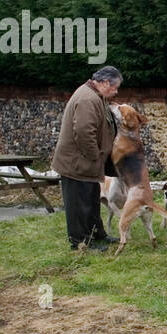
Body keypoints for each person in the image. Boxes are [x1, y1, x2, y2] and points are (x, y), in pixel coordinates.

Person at [51, 65, 122, 250]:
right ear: (105, 83)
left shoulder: (95, 96)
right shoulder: (87, 99)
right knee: (78, 205)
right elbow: (83, 132)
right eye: (115, 87)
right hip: (77, 164)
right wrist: (95, 156)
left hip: (87, 164)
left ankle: (96, 235)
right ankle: (80, 242)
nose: (116, 91)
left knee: (91, 201)